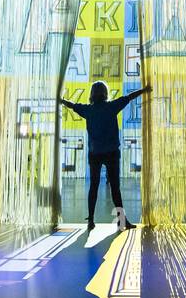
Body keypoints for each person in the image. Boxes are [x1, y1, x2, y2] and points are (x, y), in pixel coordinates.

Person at [60, 81, 150, 230]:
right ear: (105, 93)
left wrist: (61, 100)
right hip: (112, 153)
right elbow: (129, 97)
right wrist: (145, 90)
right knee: (115, 188)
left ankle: (90, 221)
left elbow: (72, 105)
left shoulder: (88, 110)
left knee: (94, 187)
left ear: (92, 95)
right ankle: (122, 221)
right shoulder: (111, 107)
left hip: (95, 153)